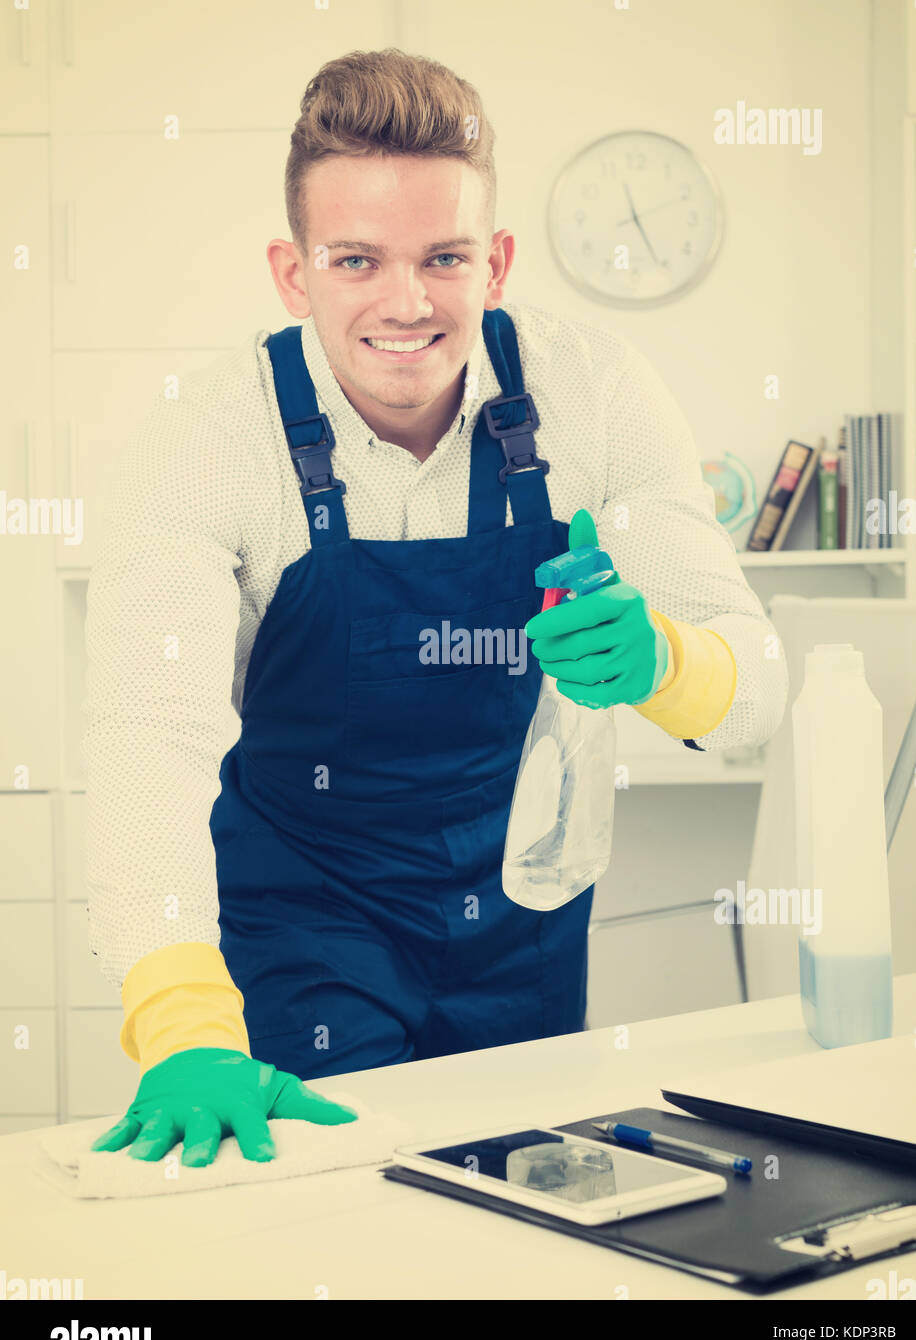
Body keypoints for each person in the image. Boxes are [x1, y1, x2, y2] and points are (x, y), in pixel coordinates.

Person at [86, 48, 788, 1167]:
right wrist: (180, 1018)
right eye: (356, 259)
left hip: (520, 911)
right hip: (302, 912)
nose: (405, 304)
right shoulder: (204, 442)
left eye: (444, 258)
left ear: (496, 262)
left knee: (520, 1204)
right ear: (291, 270)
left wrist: (658, 659)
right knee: (339, 1204)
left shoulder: (595, 395)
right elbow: (147, 740)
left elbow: (755, 695)